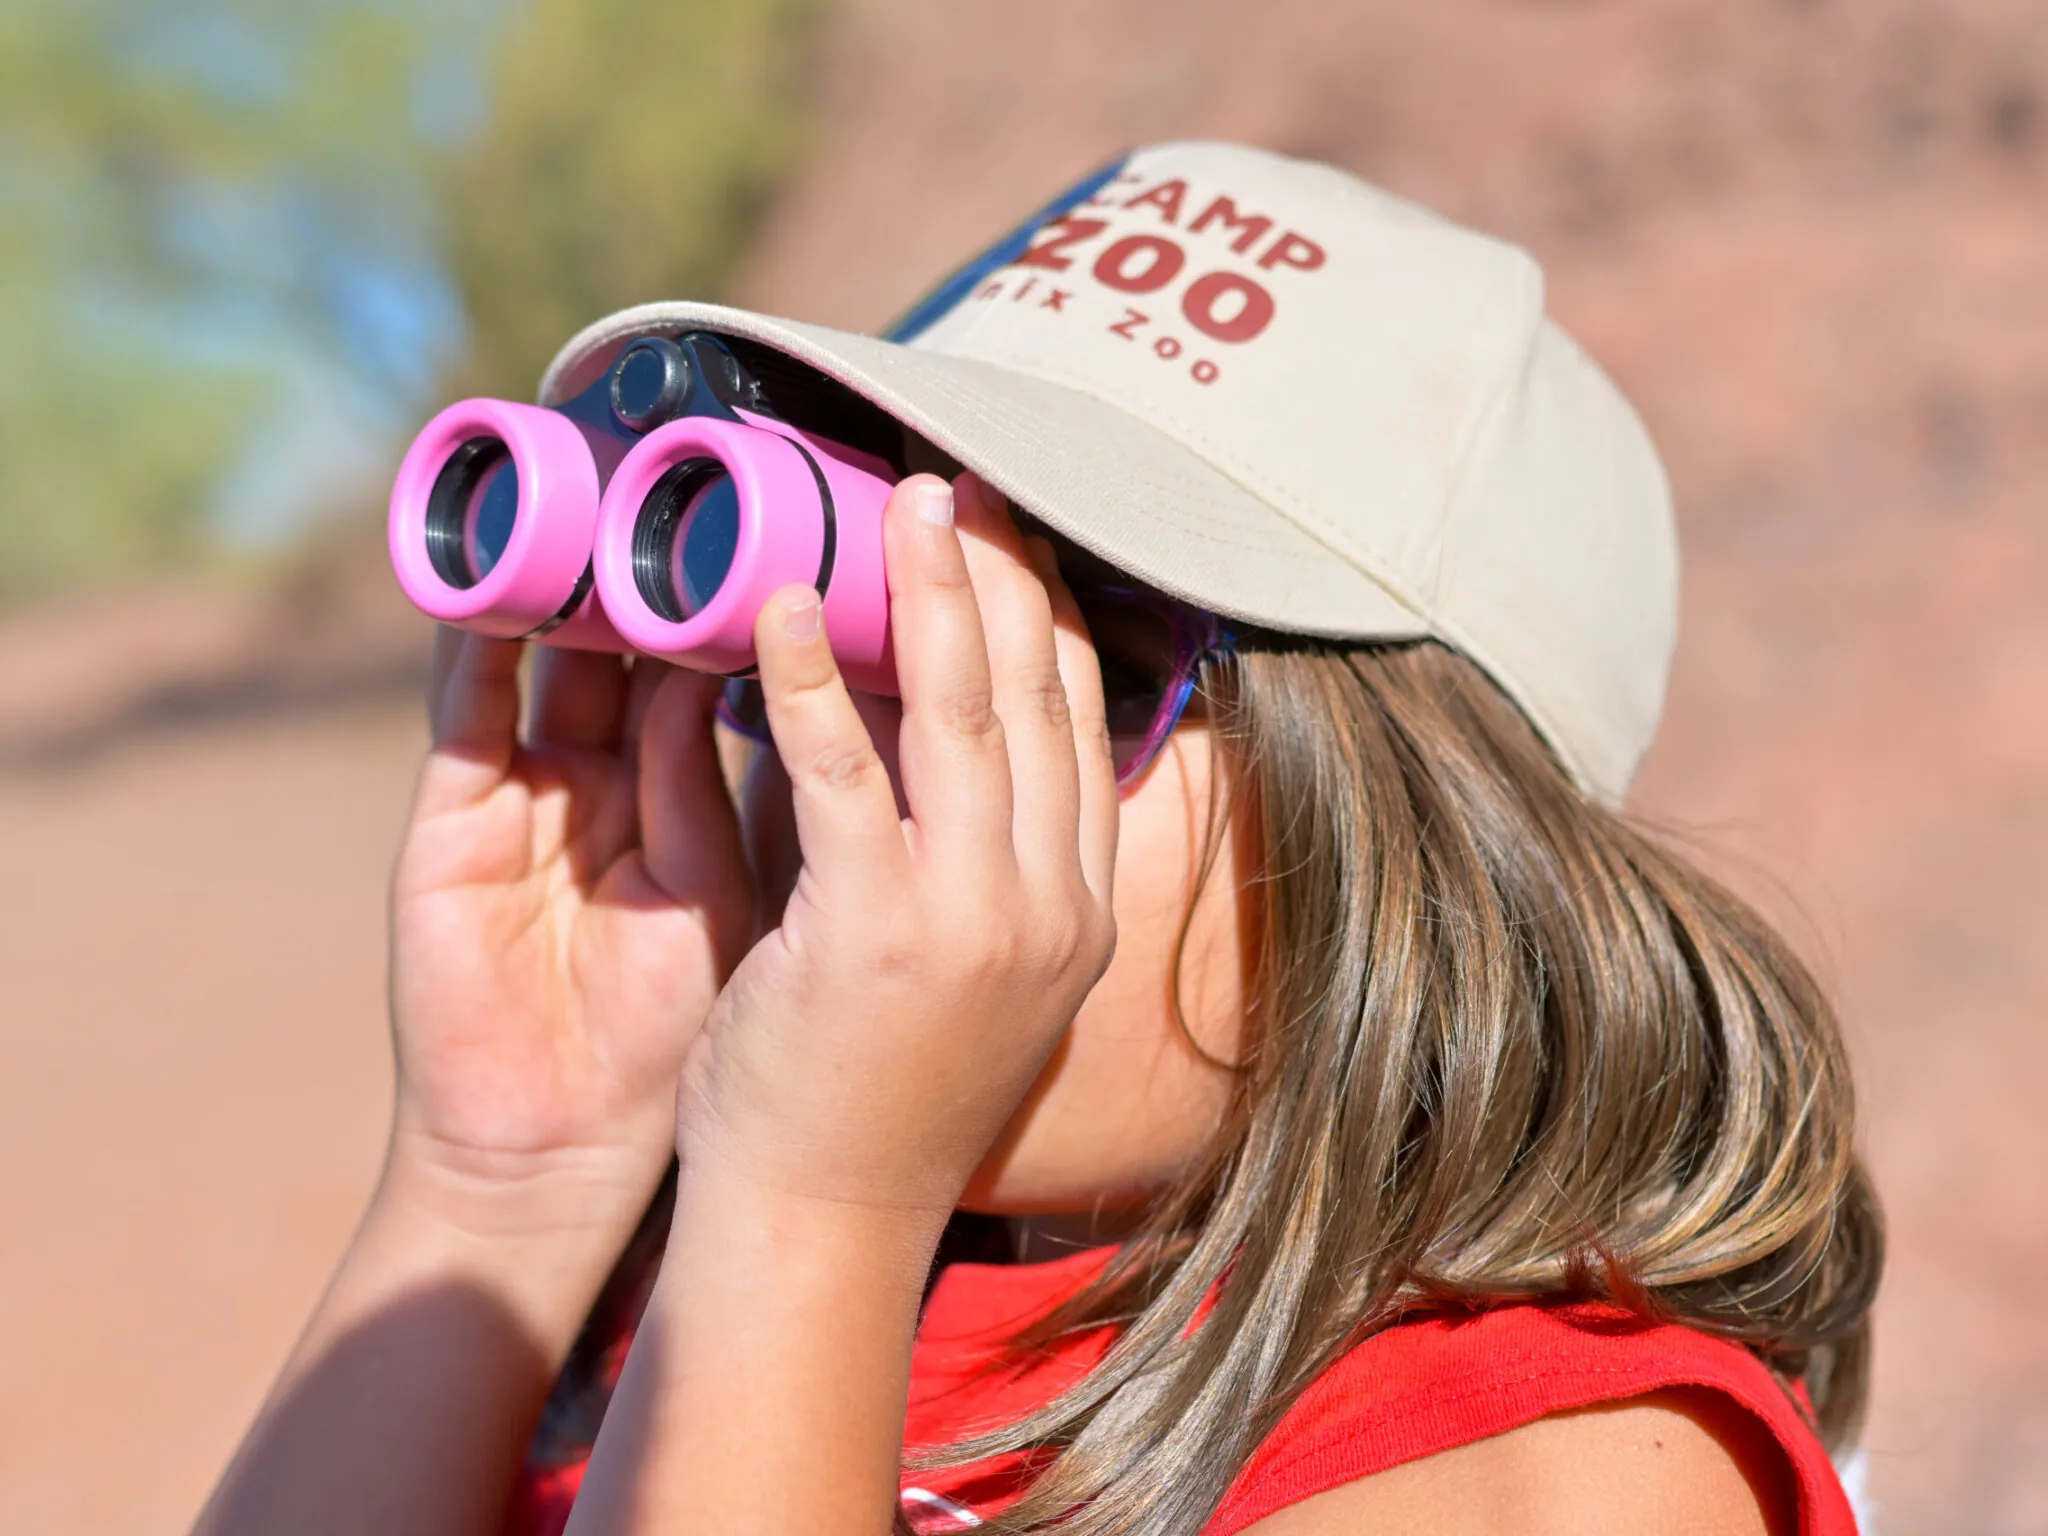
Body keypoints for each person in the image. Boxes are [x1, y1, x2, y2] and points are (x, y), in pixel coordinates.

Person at [195, 142, 1881, 1536]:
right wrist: (504, 1185)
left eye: (1086, 652)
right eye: (848, 641)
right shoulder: (676, 1320)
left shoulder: (1558, 1459)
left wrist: (816, 1205)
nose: (885, 745)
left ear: (1437, 851)